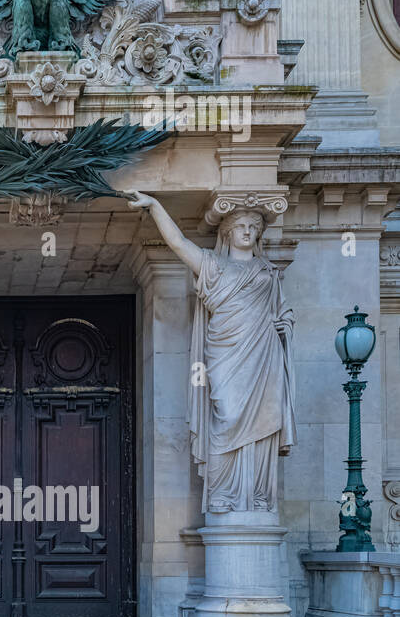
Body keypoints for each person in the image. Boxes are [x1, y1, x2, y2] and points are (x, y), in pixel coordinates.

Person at [126, 191, 295, 512]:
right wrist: (155, 206)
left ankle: (257, 495)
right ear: (227, 232)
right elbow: (178, 244)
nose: (248, 231)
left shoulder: (268, 273)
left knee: (264, 423)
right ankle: (222, 492)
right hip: (225, 354)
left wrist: (286, 328)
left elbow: (282, 312)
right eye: (241, 225)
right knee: (226, 418)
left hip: (264, 356)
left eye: (253, 227)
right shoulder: (213, 266)